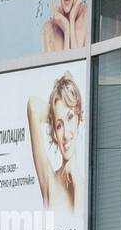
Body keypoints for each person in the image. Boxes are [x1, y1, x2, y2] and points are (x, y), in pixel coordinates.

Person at [27, 71, 85, 215]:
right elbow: (33, 105)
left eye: (70, 118)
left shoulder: (86, 187)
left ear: (79, 117)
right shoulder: (50, 182)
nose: (65, 134)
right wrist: (55, 117)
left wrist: (75, 179)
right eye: (59, 126)